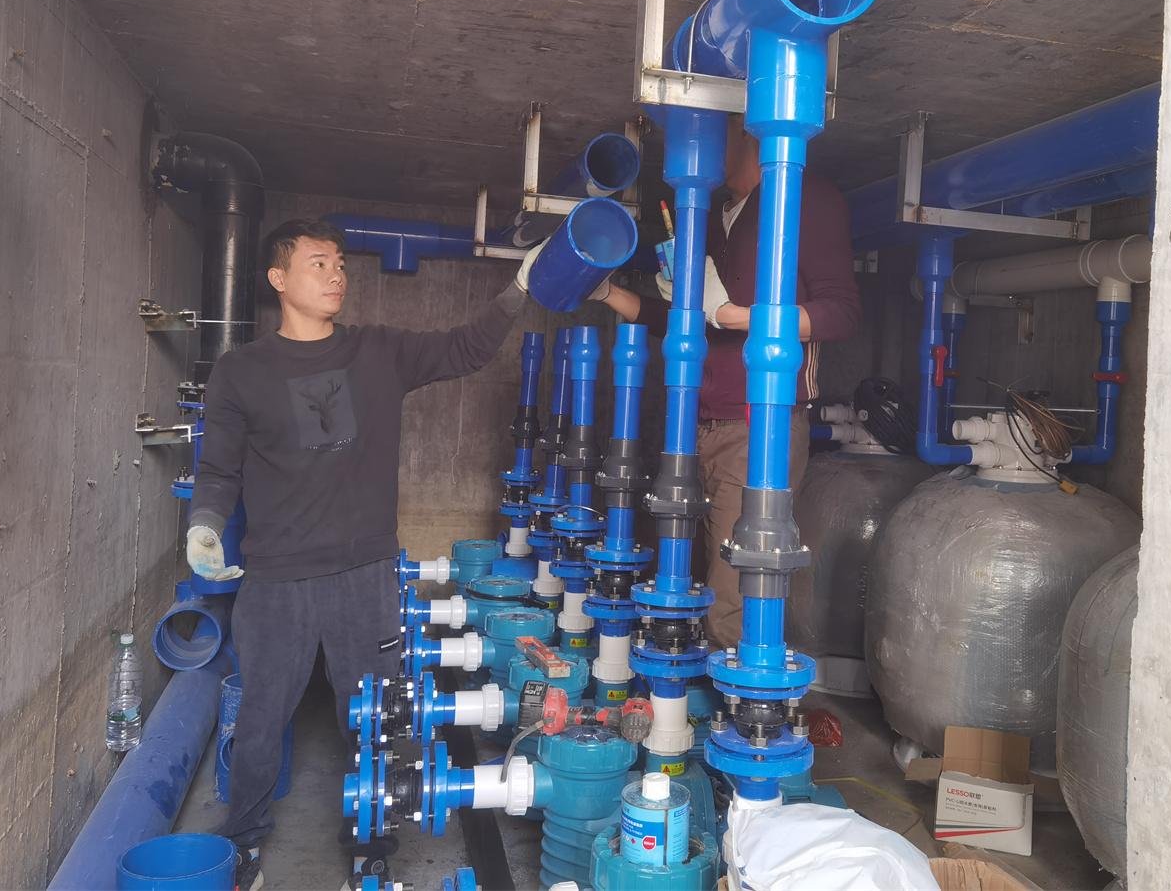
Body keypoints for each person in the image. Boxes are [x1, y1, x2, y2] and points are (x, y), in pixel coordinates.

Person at [186, 218, 545, 891]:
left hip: (365, 574)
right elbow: (219, 470)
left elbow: (466, 348)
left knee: (375, 721)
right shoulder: (242, 371)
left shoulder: (378, 352)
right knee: (260, 721)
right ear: (278, 279)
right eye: (318, 264)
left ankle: (371, 849)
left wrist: (519, 287)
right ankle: (245, 848)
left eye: (340, 264)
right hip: (277, 580)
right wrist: (204, 525)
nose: (335, 275)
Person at [600, 116, 861, 647]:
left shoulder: (805, 197)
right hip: (693, 425)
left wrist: (735, 315)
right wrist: (606, 293)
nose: (693, 144)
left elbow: (841, 314)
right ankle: (694, 689)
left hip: (758, 427)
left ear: (745, 129)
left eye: (706, 128)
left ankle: (739, 699)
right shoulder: (712, 214)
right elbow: (691, 321)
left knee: (734, 597)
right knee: (690, 581)